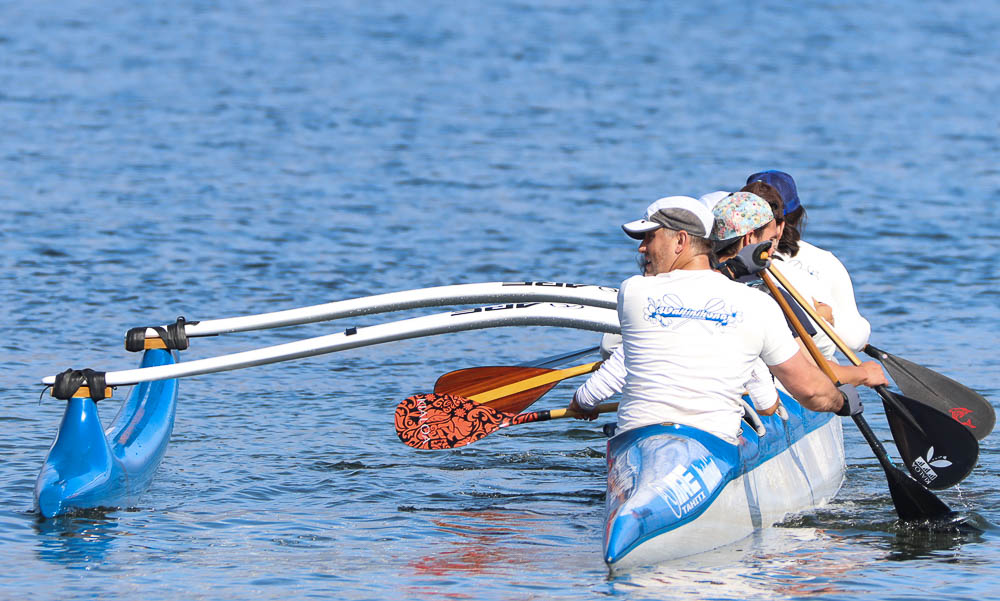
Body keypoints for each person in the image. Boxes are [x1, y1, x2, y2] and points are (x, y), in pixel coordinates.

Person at [567, 195, 861, 445]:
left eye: (649, 237)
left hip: (637, 438)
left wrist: (582, 402)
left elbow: (621, 364)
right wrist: (838, 402)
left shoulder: (634, 291)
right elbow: (788, 391)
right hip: (714, 441)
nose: (642, 247)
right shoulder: (756, 304)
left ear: (681, 240)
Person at [746, 170, 871, 352]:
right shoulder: (824, 262)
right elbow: (853, 340)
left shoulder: (720, 258)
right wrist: (830, 318)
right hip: (805, 366)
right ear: (798, 215)